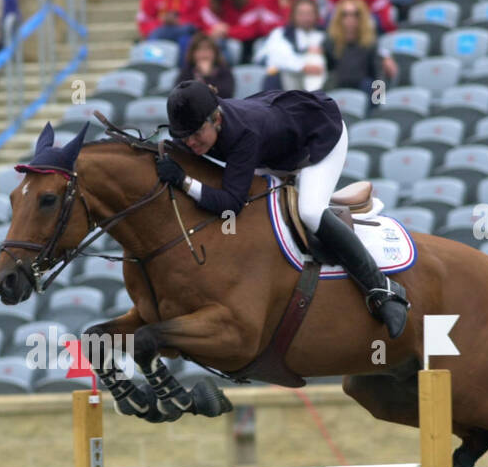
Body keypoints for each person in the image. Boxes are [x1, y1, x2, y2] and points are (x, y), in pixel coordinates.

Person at [155, 79, 409, 336]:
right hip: (273, 148)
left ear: (216, 119)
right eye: (184, 137)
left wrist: (184, 182)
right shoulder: (211, 127)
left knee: (309, 211)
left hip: (319, 136)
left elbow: (231, 204)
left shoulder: (243, 132)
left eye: (196, 134)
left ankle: (383, 290)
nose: (191, 143)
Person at [323, 0, 394, 93]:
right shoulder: (330, 43)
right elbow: (326, 72)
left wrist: (380, 102)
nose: (350, 18)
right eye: (345, 14)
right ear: (339, 17)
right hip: (337, 87)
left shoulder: (370, 43)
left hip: (363, 87)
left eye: (355, 14)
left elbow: (378, 74)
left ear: (362, 17)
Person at [257, 0, 326, 92]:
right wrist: (303, 66)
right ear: (293, 15)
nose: (306, 18)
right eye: (301, 14)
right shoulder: (280, 33)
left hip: (317, 80)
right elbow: (279, 58)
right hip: (284, 83)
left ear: (316, 15)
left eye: (309, 13)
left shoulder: (324, 35)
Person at [180, 32, 234, 98]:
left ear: (215, 52)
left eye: (208, 49)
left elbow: (226, 94)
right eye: (199, 49)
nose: (203, 53)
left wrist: (207, 75)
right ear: (192, 53)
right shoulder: (187, 71)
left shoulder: (224, 71)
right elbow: (179, 95)